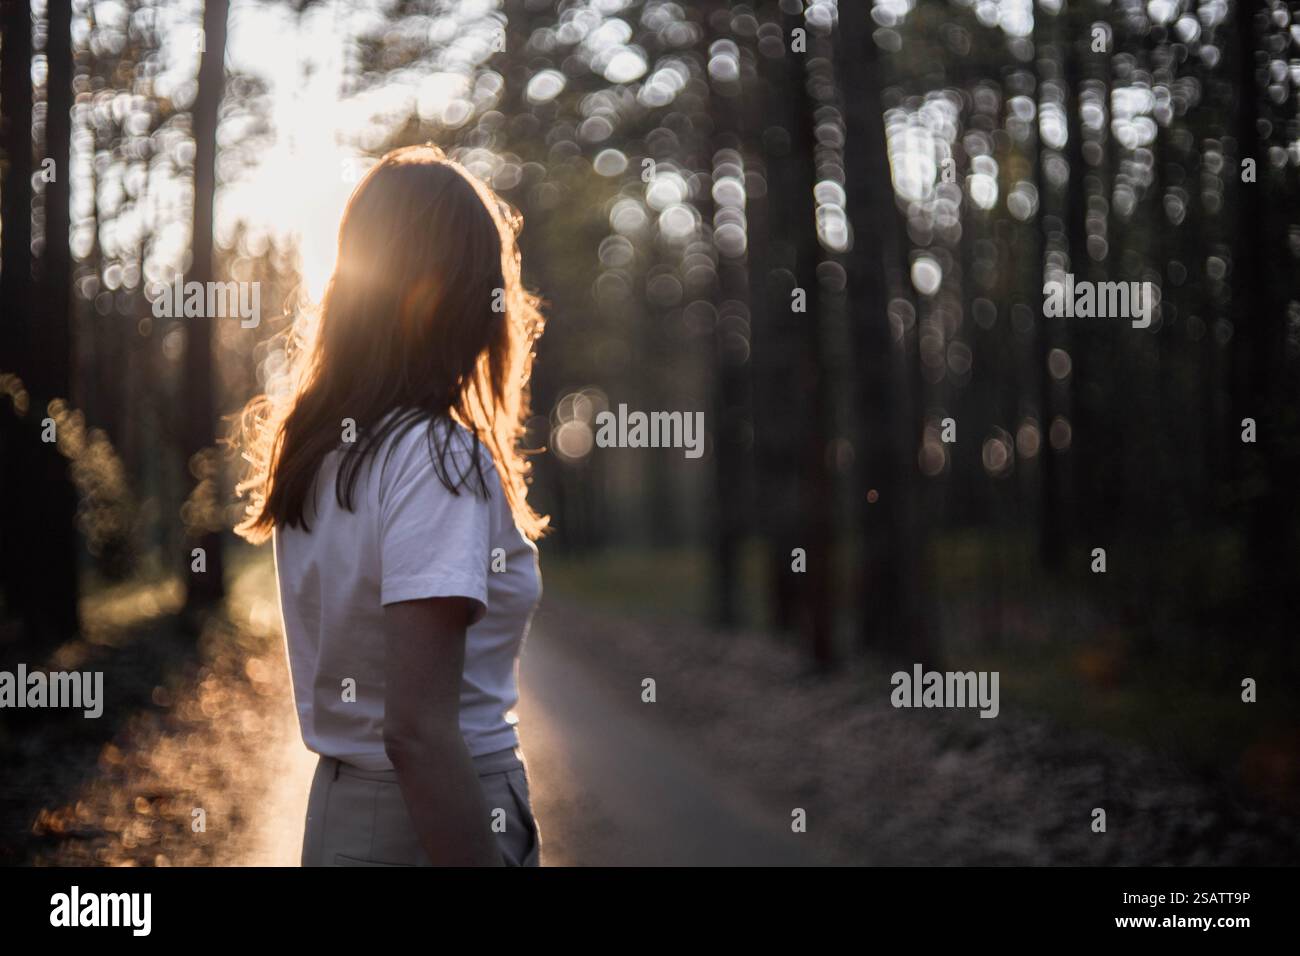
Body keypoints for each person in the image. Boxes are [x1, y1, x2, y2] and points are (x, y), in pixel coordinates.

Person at [234, 144, 547, 866]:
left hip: (342, 813)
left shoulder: (320, 449)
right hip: (441, 819)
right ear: (464, 296)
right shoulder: (438, 458)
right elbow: (417, 731)